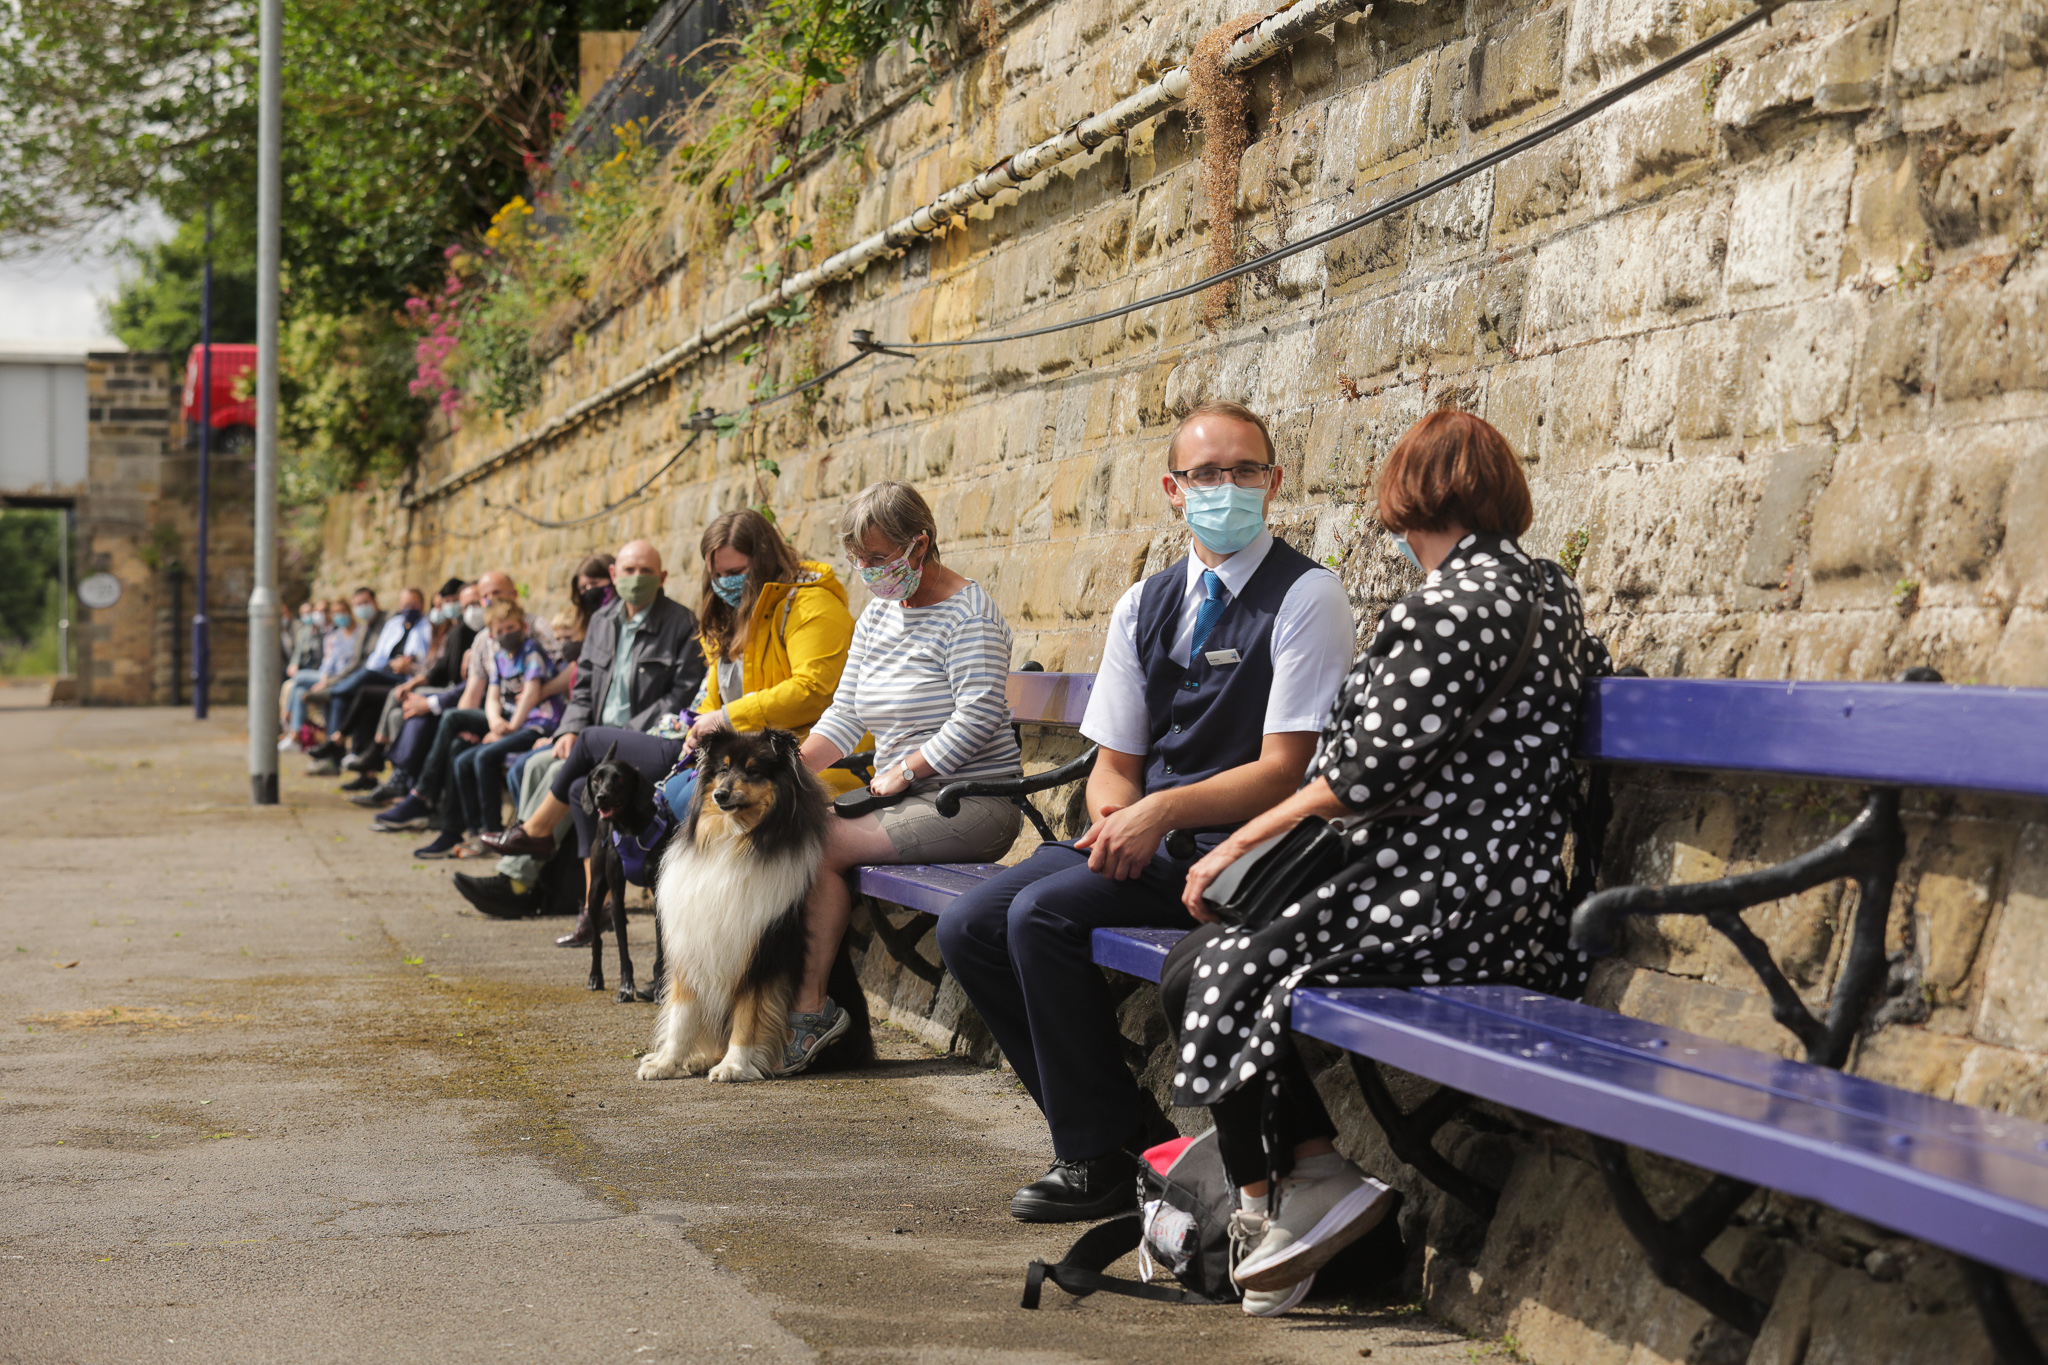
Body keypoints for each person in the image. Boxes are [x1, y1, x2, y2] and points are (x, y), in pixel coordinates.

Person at [1164, 411, 1610, 1316]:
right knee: (1202, 962)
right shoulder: (1543, 586)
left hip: (1449, 897)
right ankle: (1307, 1178)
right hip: (1504, 889)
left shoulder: (1449, 606)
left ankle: (1271, 1203)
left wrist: (1244, 842)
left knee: (1214, 964)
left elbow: (1358, 777)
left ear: (1411, 499)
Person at [934, 401, 1355, 1225]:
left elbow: (1287, 770)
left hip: (1246, 858)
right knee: (969, 925)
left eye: (1245, 471)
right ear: (1173, 488)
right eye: (1206, 474)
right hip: (1154, 844)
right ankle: (1129, 1134)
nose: (1226, 487)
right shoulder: (1144, 603)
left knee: (1039, 915)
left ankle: (1094, 1155)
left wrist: (1155, 813)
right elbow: (1113, 767)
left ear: (1274, 481)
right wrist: (1118, 816)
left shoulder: (1307, 596)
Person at [508, 508, 865, 941]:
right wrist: (701, 725)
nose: (726, 582)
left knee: (680, 804)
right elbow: (715, 693)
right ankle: (681, 935)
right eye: (718, 574)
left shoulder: (810, 605)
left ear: (765, 561)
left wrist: (726, 717)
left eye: (736, 571)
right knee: (640, 796)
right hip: (734, 754)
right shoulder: (735, 611)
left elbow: (813, 689)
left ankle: (713, 934)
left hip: (798, 759)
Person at [790, 481, 1027, 1074]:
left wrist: (909, 768)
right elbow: (845, 714)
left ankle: (809, 1012)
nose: (868, 572)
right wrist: (790, 768)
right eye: (858, 561)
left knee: (818, 844)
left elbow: (978, 715)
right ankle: (792, 1003)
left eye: (877, 559)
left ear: (918, 546)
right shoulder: (878, 616)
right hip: (901, 798)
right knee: (789, 831)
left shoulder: (968, 615)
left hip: (971, 802)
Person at [470, 540, 705, 913]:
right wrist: (569, 730)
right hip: (592, 735)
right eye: (629, 571)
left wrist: (622, 733)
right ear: (615, 575)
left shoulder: (681, 624)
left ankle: (518, 874)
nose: (637, 578)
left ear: (662, 577)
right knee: (535, 766)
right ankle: (548, 885)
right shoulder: (602, 621)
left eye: (647, 571)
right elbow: (582, 688)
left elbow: (681, 696)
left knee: (561, 769)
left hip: (643, 737)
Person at [370, 570, 547, 845]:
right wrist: (472, 725)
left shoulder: (533, 630)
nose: (488, 601)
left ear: (513, 595)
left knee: (451, 724)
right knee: (457, 740)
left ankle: (423, 797)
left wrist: (513, 719)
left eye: (495, 594)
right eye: (483, 597)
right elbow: (482, 690)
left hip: (530, 717)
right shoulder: (484, 639)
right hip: (498, 714)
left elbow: (563, 671)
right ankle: (453, 830)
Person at [438, 599, 563, 855]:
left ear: (523, 626)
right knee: (463, 761)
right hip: (511, 725)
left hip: (538, 724)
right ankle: (477, 831)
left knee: (484, 756)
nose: (507, 634)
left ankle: (493, 830)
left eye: (512, 627)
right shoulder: (498, 657)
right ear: (492, 633)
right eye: (501, 630)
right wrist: (494, 722)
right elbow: (493, 695)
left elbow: (531, 693)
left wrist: (511, 727)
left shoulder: (531, 652)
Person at [307, 587, 430, 774]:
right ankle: (356, 767)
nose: (409, 608)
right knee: (356, 695)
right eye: (405, 605)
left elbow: (426, 662)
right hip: (384, 674)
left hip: (406, 679)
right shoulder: (394, 624)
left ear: (422, 605)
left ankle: (338, 737)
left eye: (413, 604)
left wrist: (408, 666)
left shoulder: (426, 626)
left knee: (364, 687)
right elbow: (377, 657)